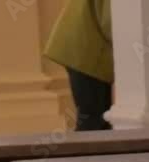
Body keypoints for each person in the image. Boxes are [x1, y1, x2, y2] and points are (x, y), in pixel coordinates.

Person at [44, 0, 114, 131]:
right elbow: (111, 21)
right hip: (85, 51)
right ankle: (90, 150)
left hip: (78, 46)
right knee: (94, 120)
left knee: (92, 118)